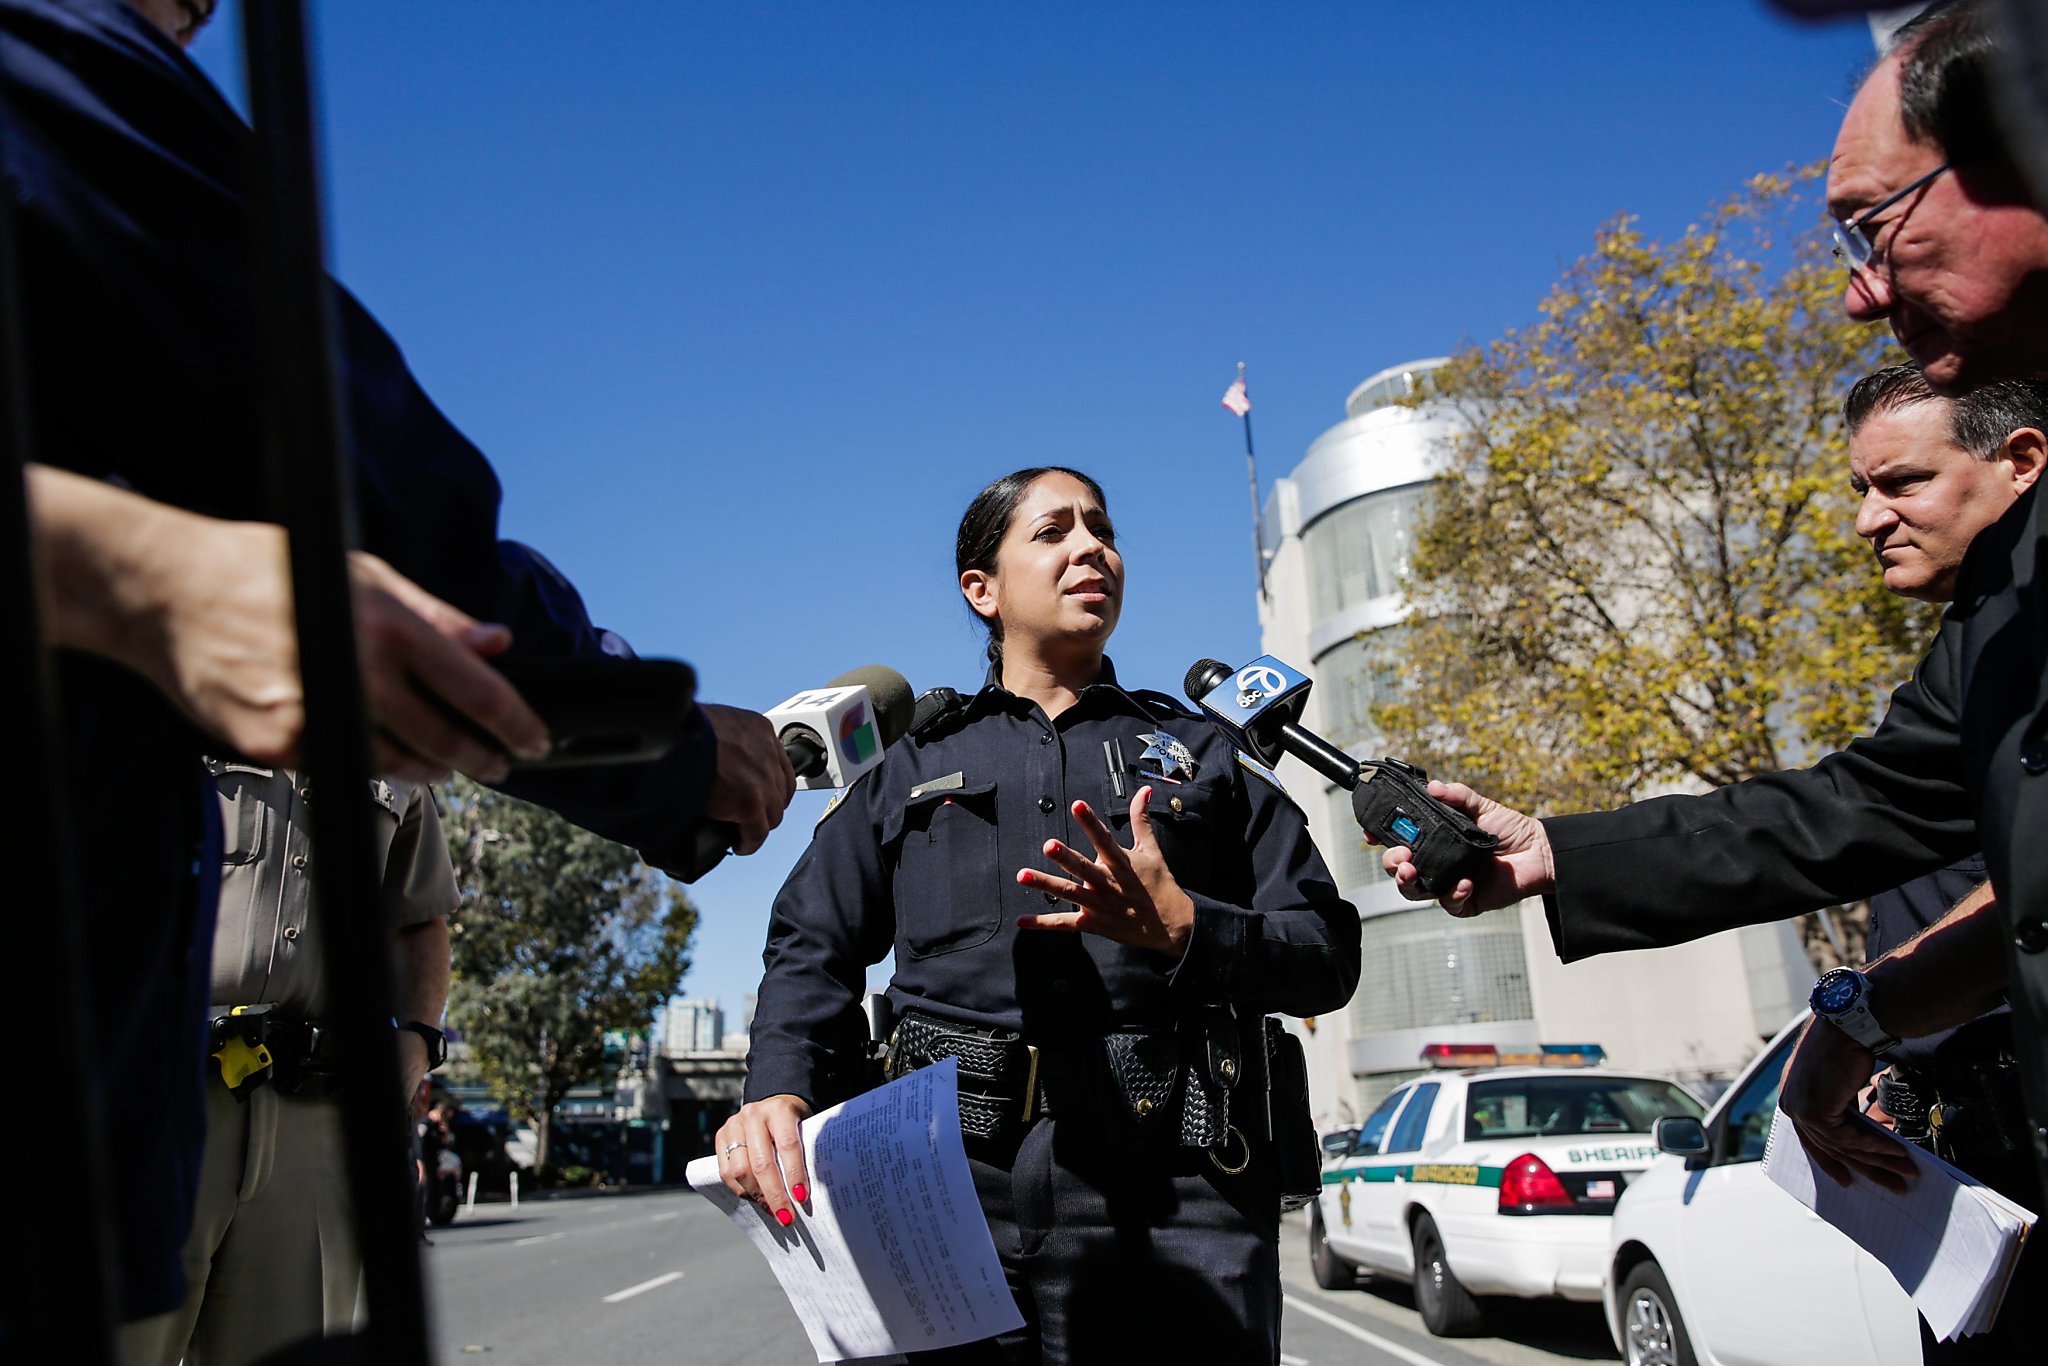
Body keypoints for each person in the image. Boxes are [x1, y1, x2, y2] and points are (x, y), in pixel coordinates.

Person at [1, 0, 795, 1334]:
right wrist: (674, 752)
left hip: (217, 1117)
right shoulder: (52, 63)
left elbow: (416, 908)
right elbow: (370, 495)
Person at [1376, 0, 2048, 1200]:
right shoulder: (2008, 590)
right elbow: (1856, 806)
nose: (1853, 291)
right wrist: (1549, 855)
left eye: (1870, 227)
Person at [718, 468, 1361, 1364]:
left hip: (1180, 1192)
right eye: (1053, 531)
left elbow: (1326, 951)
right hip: (941, 1194)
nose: (1091, 547)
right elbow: (811, 947)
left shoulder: (1205, 756)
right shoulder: (906, 764)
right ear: (981, 589)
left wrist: (1186, 929)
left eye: (1101, 529)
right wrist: (779, 1088)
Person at [118, 768, 457, 1366]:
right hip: (148, 1095)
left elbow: (418, 920)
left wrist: (418, 1040)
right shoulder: (164, 686)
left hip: (318, 1113)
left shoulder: (392, 745)